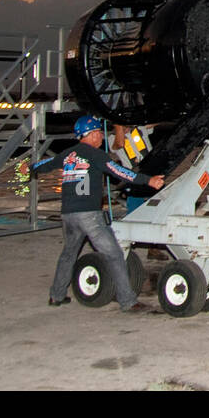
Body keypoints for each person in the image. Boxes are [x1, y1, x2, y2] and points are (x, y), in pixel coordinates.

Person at [32, 115, 166, 312]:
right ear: (92, 134)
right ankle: (128, 301)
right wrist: (148, 181)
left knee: (68, 254)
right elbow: (120, 172)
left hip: (68, 215)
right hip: (89, 215)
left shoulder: (68, 154)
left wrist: (27, 167)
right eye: (99, 133)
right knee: (114, 255)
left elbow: (44, 165)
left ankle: (56, 295)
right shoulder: (96, 155)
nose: (102, 137)